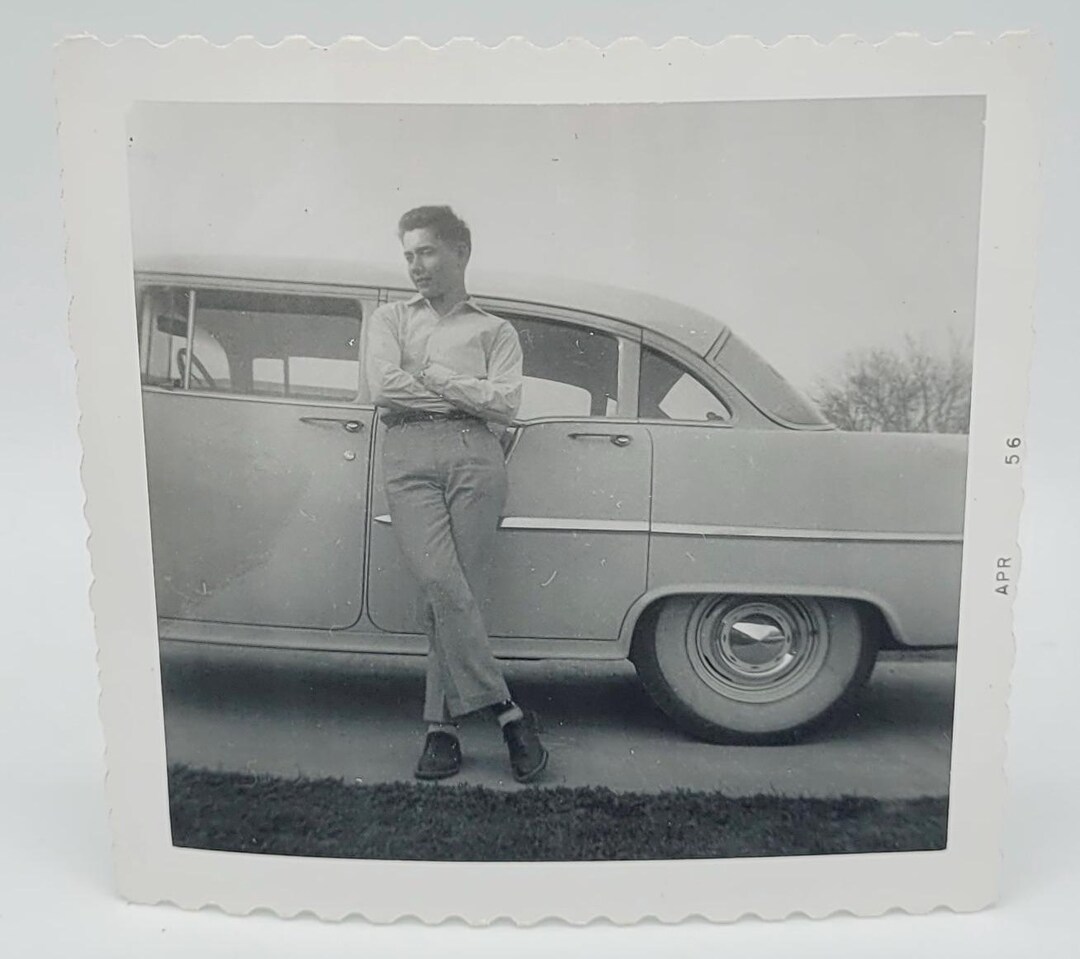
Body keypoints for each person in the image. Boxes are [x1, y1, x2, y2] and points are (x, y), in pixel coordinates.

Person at [365, 205, 549, 784]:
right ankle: (509, 713)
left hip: (476, 457)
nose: (415, 266)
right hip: (409, 456)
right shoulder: (390, 318)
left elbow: (507, 404)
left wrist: (436, 380)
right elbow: (382, 385)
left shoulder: (495, 331)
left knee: (454, 595)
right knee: (441, 584)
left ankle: (440, 731)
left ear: (461, 252)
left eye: (427, 252)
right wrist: (469, 394)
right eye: (408, 255)